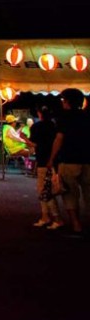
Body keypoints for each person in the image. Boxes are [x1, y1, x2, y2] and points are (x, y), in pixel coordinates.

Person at [47, 88, 90, 237]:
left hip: (69, 159)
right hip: (87, 160)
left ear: (67, 101)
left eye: (63, 100)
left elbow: (59, 139)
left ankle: (76, 225)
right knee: (88, 192)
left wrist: (51, 159)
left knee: (70, 193)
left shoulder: (64, 117)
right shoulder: (87, 116)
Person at [29, 105, 63, 229]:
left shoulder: (36, 127)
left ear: (39, 114)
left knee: (44, 191)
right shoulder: (54, 126)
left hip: (43, 161)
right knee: (46, 190)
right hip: (54, 161)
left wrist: (24, 138)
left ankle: (56, 218)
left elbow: (34, 144)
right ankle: (45, 216)